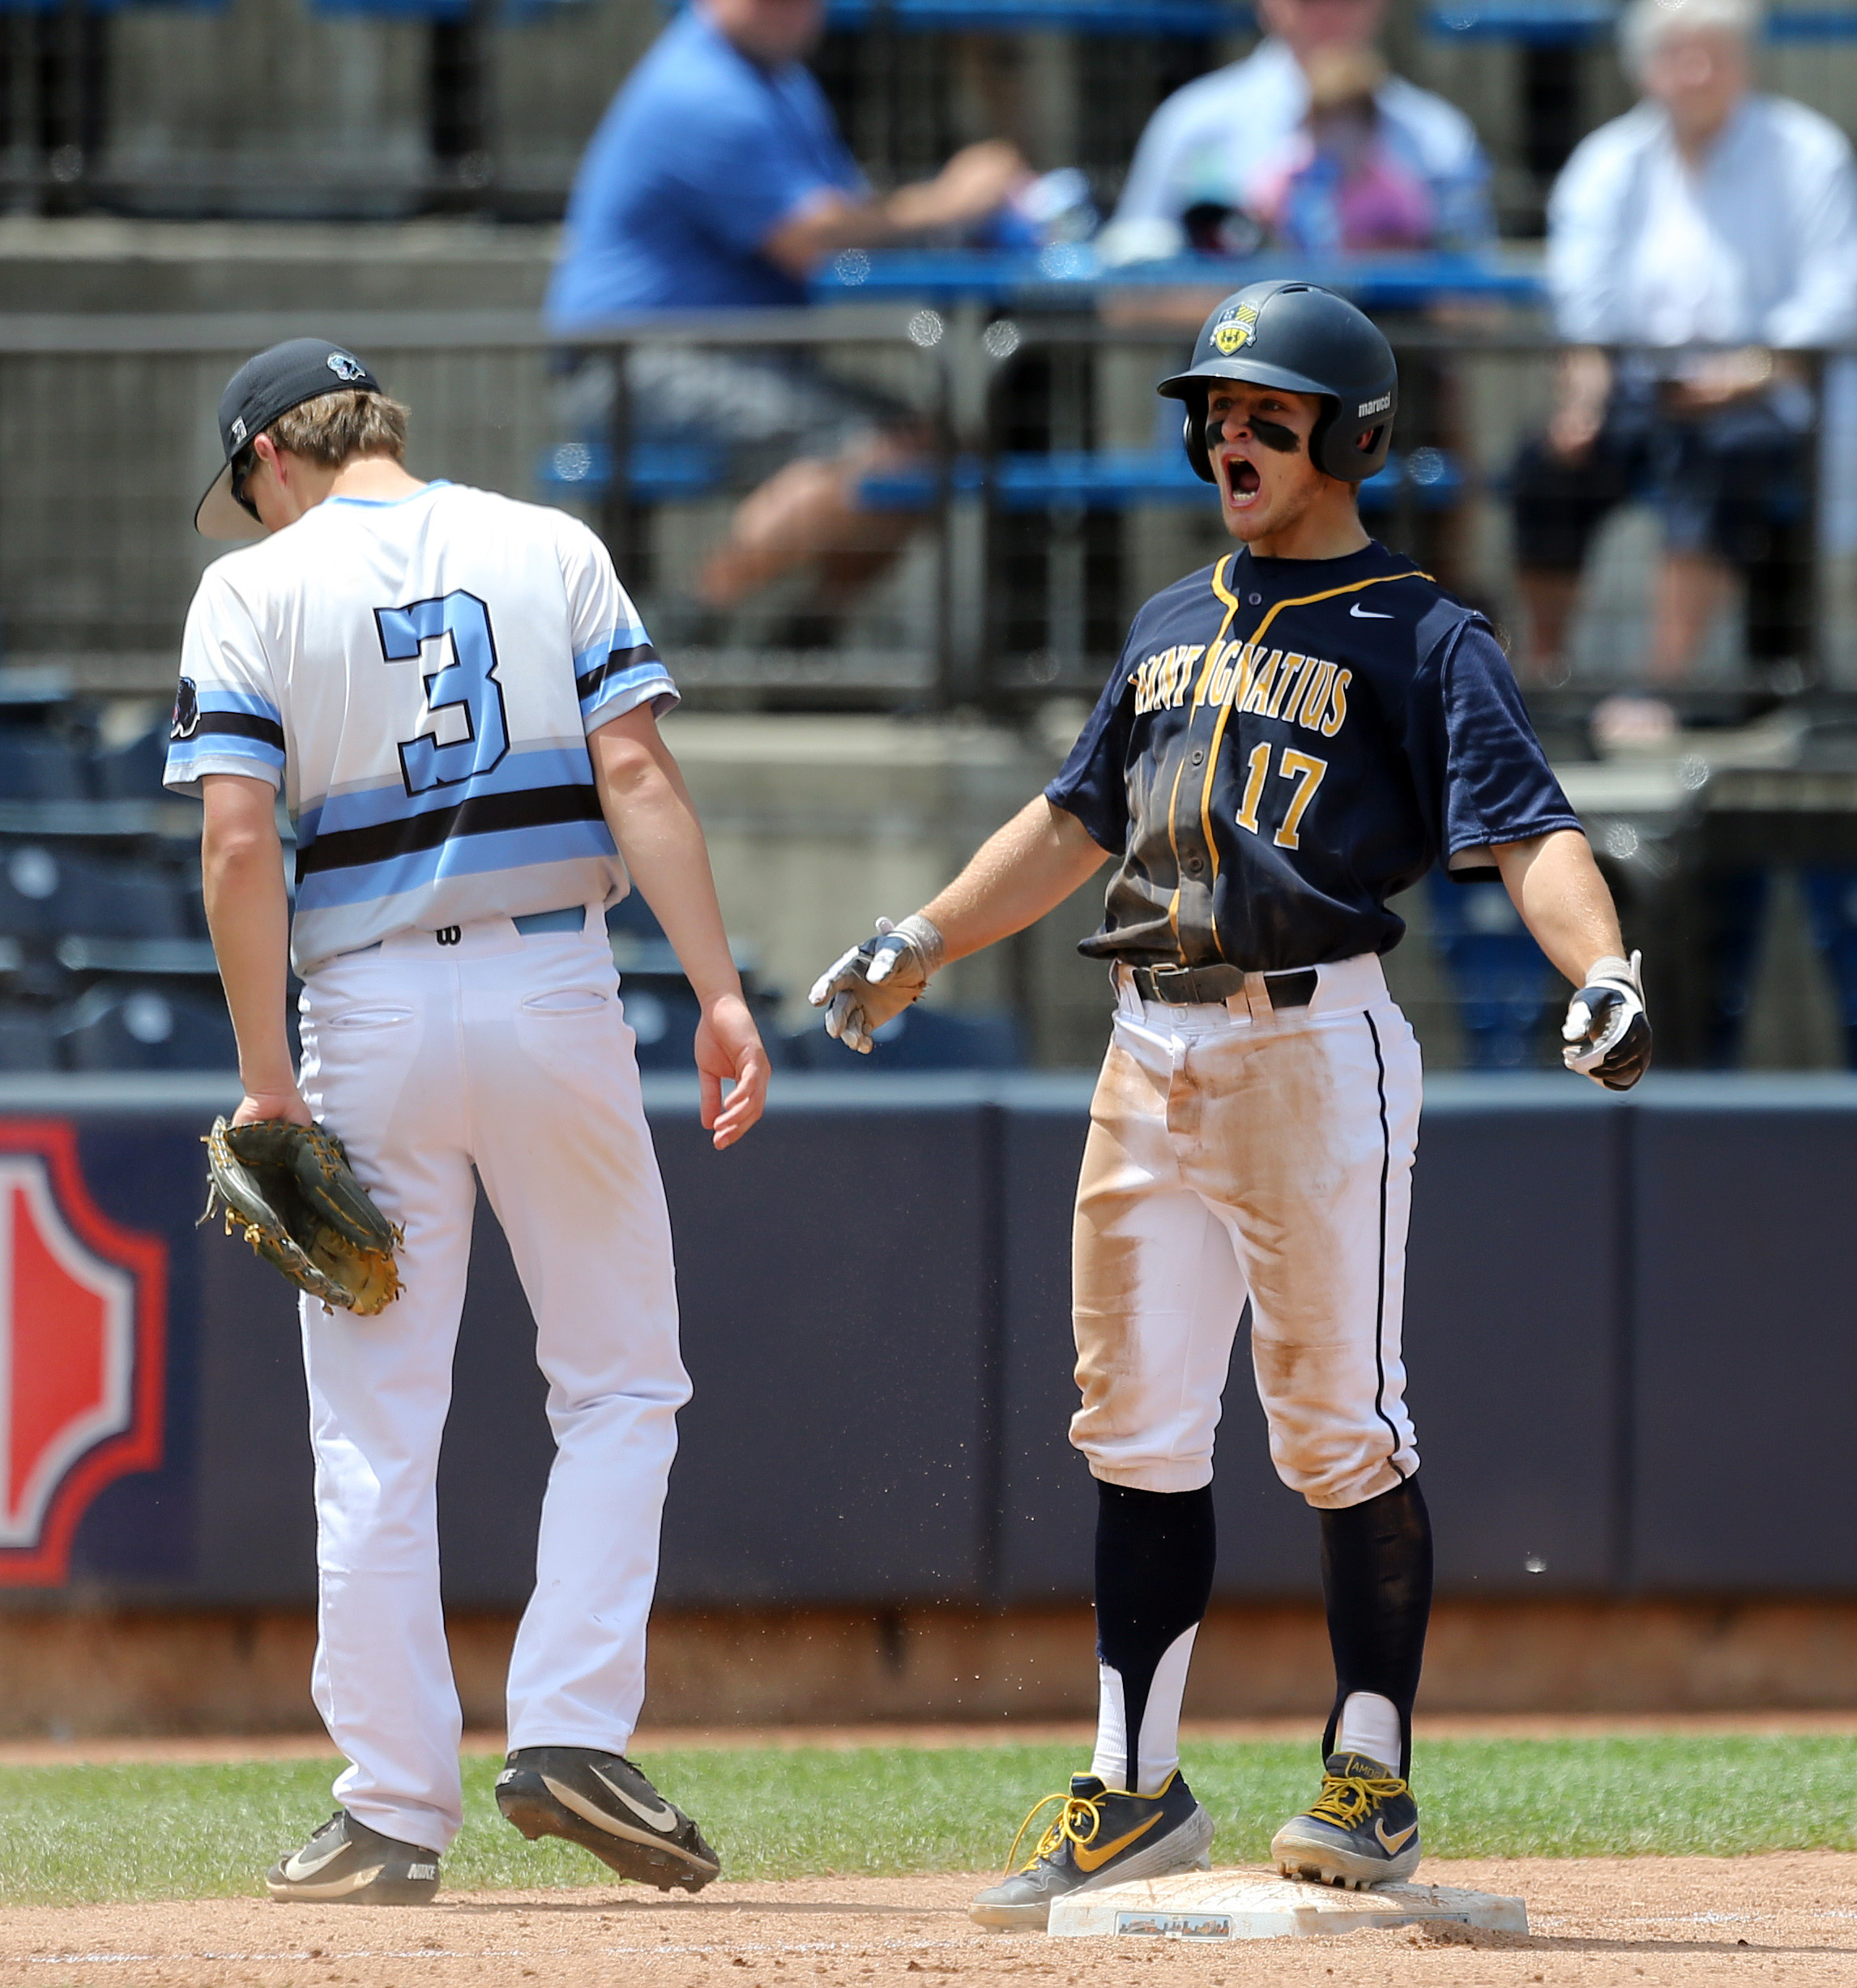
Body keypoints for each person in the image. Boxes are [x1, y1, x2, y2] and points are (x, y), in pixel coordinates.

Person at [809, 283, 1650, 1929]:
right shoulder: (1168, 618)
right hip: (1147, 1049)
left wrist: (1600, 966)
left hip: (1309, 1047)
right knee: (1131, 1429)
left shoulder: (1424, 628)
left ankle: (1371, 1773)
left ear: (1349, 437)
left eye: (1268, 413)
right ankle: (1134, 1785)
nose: (1229, 436)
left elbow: (1527, 830)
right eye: (1216, 412)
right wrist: (920, 934)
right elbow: (1073, 823)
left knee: (1341, 1427)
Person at [164, 338, 769, 1904]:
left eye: (245, 488)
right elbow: (634, 764)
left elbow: (239, 843)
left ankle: (386, 1812)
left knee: (373, 1425)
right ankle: (569, 1726)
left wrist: (264, 1076)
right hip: (554, 984)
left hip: (362, 1004)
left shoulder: (255, 588)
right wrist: (713, 986)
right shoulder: (547, 541)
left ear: (270, 457)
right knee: (623, 1377)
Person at [546, 0, 1026, 628]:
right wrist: (950, 203)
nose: (796, 10)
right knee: (880, 450)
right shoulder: (704, 89)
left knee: (928, 448)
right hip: (632, 367)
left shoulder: (780, 83)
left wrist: (952, 213)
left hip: (721, 356)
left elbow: (847, 214)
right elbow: (813, 240)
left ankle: (798, 640)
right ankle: (684, 626)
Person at [1515, 0, 1857, 689]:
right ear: (1644, 68)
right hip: (1631, 383)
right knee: (1544, 468)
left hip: (1769, 386)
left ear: (1746, 62)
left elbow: (1833, 296)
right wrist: (1582, 402)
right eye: (1678, 54)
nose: (1697, 72)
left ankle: (1658, 686)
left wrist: (1746, 374)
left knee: (1721, 458)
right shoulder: (1608, 160)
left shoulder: (1811, 151)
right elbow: (1584, 302)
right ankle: (1541, 678)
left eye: (1716, 54)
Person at [1099, 0, 1492, 268]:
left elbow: (1475, 305)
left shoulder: (1440, 137)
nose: (1328, 12)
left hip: (1389, 376)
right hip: (1228, 376)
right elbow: (1128, 294)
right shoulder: (1193, 123)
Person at [1247, 48, 1439, 256]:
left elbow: (1411, 255)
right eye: (1322, 121)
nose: (1332, 135)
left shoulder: (1396, 191)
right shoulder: (1283, 179)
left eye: (1345, 122)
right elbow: (1252, 236)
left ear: (1369, 126)